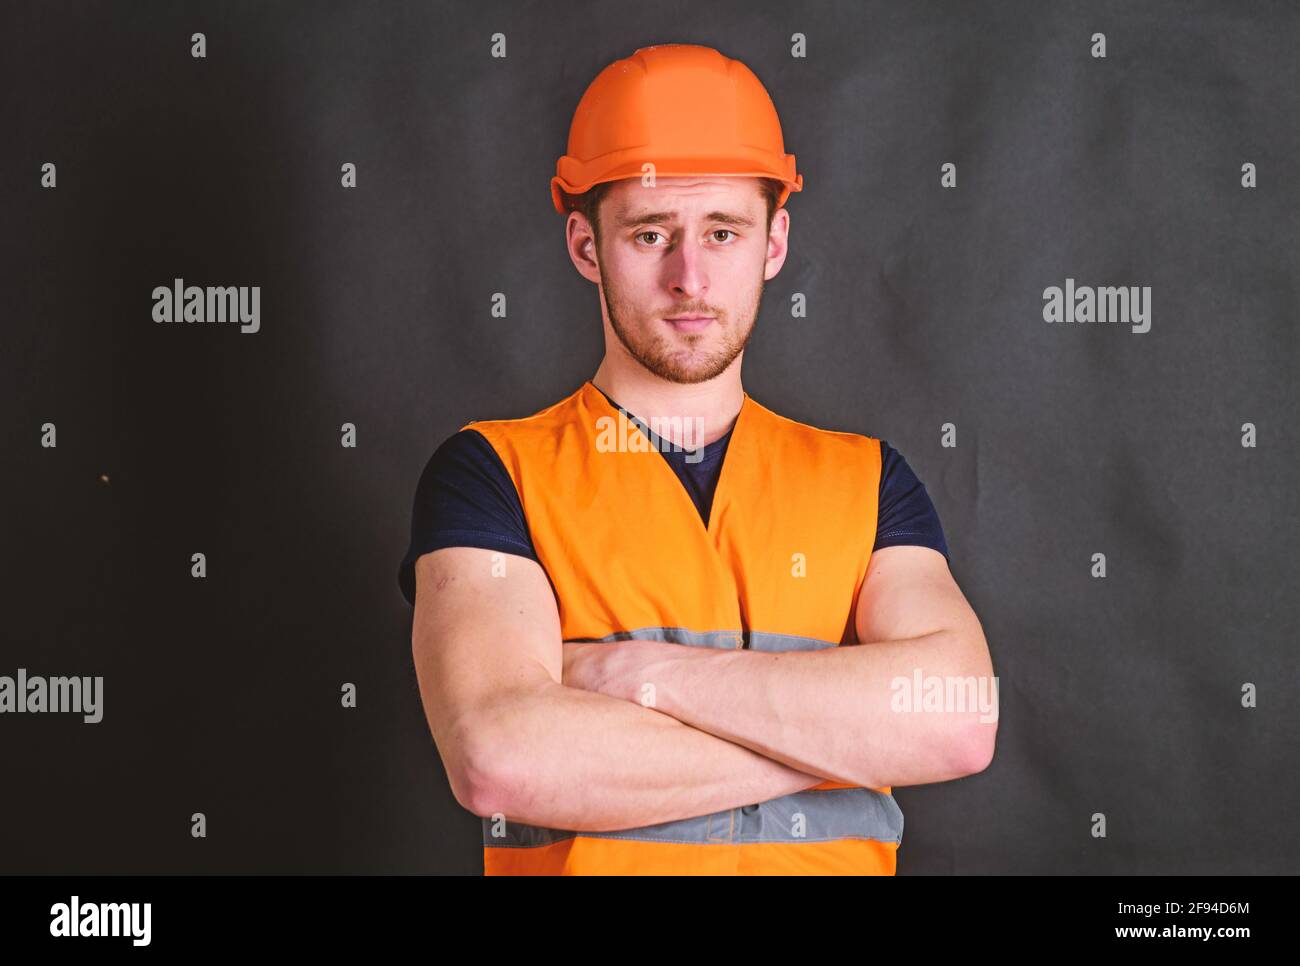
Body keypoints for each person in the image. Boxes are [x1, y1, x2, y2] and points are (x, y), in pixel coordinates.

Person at [399, 43, 996, 875]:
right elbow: (502, 759)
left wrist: (632, 676)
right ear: (585, 245)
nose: (690, 277)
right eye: (651, 233)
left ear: (773, 243)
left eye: (723, 231)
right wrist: (842, 746)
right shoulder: (493, 475)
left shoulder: (868, 482)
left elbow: (957, 718)